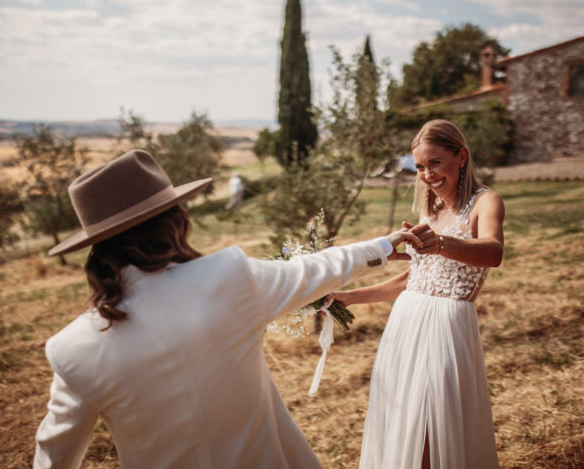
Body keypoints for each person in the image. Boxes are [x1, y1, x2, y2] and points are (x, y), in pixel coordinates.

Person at [32, 149, 420, 468]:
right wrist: (384, 246)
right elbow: (314, 271)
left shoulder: (72, 350)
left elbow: (54, 458)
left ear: (96, 244)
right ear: (175, 222)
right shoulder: (229, 277)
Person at [329, 119, 505, 468]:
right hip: (406, 325)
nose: (427, 175)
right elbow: (413, 280)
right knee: (404, 423)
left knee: (433, 427)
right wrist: (348, 297)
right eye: (420, 167)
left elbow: (493, 252)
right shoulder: (429, 210)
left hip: (446, 328)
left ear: (461, 156)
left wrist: (439, 243)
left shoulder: (486, 201)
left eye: (435, 163)